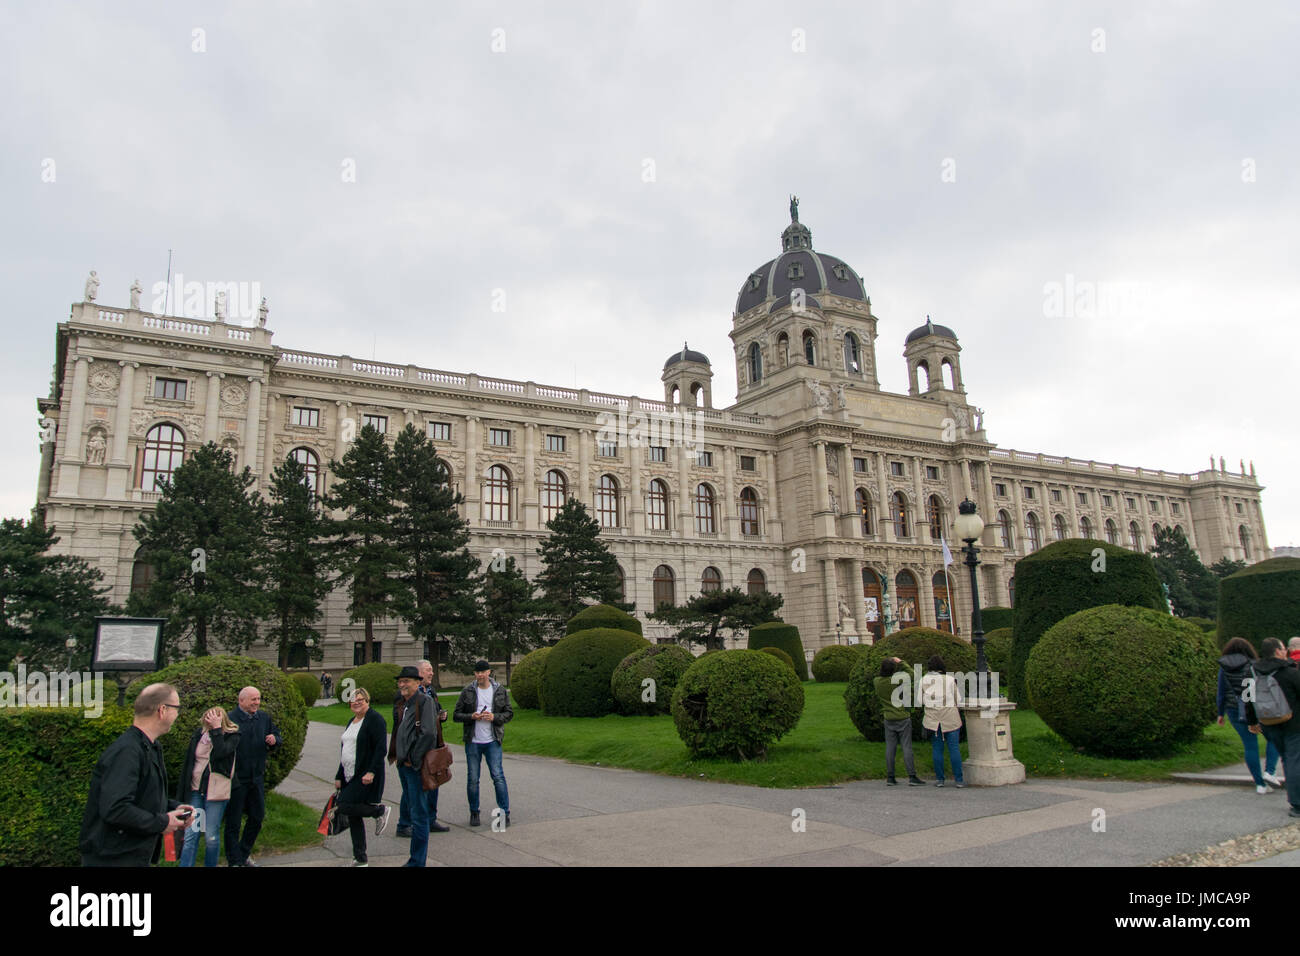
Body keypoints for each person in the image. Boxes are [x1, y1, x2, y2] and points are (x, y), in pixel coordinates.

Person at [79, 683, 193, 866]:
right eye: (177, 708)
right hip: (113, 858)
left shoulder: (149, 747)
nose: (178, 715)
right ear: (162, 710)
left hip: (132, 854)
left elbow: (143, 796)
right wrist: (162, 822)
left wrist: (175, 808)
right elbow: (115, 808)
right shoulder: (128, 751)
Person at [225, 686, 282, 867]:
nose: (257, 703)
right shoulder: (230, 718)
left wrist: (274, 739)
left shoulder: (263, 718)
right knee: (233, 822)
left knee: (257, 817)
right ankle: (234, 861)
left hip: (256, 778)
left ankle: (243, 854)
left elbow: (277, 737)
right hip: (236, 780)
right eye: (253, 700)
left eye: (258, 699)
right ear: (241, 701)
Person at [1217, 637, 1282, 793]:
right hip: (1256, 708)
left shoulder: (1223, 666)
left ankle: (1260, 784)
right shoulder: (1254, 665)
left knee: (1250, 745)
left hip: (1234, 709)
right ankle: (1270, 771)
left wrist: (1220, 713)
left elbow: (1221, 692)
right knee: (1274, 738)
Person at [177, 706, 240, 867]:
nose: (209, 721)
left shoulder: (232, 735)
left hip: (216, 792)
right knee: (191, 834)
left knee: (211, 835)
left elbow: (221, 752)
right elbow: (190, 760)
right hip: (196, 789)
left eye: (214, 718)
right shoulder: (199, 734)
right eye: (208, 718)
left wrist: (217, 729)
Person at [389, 665, 439, 866]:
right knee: (413, 809)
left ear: (417, 683)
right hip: (404, 764)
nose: (402, 685)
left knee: (419, 815)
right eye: (400, 681)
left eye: (406, 681)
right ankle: (415, 858)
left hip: (414, 766)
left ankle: (417, 861)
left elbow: (429, 733)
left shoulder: (424, 701)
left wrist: (414, 759)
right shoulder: (404, 703)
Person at [453, 660, 513, 827]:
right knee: (473, 778)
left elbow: (509, 713)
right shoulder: (468, 691)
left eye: (483, 672)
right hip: (473, 740)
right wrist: (471, 716)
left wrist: (494, 717)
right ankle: (474, 811)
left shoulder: (499, 690)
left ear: (489, 672)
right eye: (477, 672)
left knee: (498, 776)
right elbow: (456, 714)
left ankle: (504, 813)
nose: (480, 675)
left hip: (492, 740)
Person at [335, 688, 390, 866]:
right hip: (348, 774)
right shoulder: (352, 721)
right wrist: (339, 775)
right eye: (353, 700)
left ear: (367, 701)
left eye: (361, 700)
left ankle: (378, 811)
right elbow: (346, 750)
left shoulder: (375, 719)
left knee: (343, 805)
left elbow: (381, 748)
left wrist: (371, 771)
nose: (356, 703)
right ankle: (360, 858)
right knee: (353, 816)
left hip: (364, 774)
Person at [1246, 638, 1300, 818]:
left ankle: (1295, 800)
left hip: (1268, 723)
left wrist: (1252, 721)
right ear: (1277, 651)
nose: (1286, 652)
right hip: (1293, 722)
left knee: (1287, 759)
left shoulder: (1253, 672)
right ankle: (1297, 803)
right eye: (1284, 649)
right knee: (1294, 761)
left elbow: (1248, 698)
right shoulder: (1289, 672)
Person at [406, 659, 451, 834]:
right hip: (417, 747)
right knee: (413, 788)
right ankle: (406, 823)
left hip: (433, 747)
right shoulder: (411, 694)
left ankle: (430, 819)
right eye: (428, 670)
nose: (432, 673)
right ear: (418, 673)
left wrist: (441, 716)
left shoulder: (431, 691)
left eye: (432, 670)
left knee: (434, 783)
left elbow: (435, 712)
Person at [875, 657, 924, 786]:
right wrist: (901, 662)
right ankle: (912, 776)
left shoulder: (877, 682)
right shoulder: (897, 681)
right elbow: (914, 674)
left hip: (888, 717)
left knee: (890, 748)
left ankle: (890, 777)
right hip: (902, 716)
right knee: (906, 747)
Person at [921, 655, 964, 788]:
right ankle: (959, 779)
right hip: (950, 718)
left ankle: (940, 779)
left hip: (933, 720)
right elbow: (958, 700)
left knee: (937, 749)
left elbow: (921, 701)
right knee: (954, 748)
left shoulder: (924, 680)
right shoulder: (950, 680)